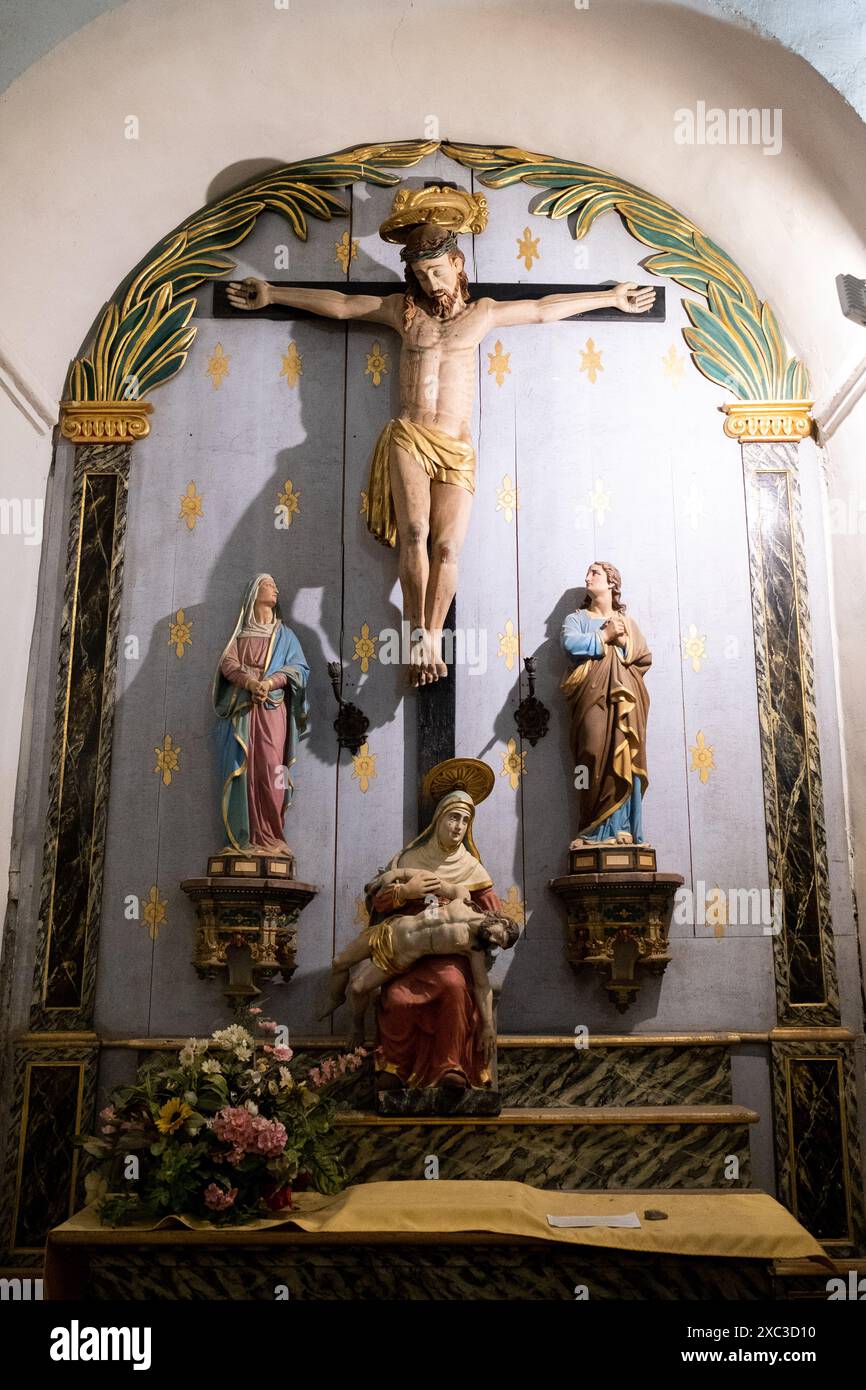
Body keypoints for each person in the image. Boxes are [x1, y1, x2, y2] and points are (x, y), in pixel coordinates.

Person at [227, 186, 655, 684]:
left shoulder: (483, 314)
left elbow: (542, 308)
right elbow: (342, 304)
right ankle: (417, 635)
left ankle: (433, 634)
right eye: (421, 274)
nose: (431, 283)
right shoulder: (403, 314)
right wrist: (273, 293)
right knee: (414, 534)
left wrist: (610, 297)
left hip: (457, 447)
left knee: (448, 547)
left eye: (438, 270)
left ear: (457, 263)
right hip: (411, 434)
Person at [349, 786, 511, 1092]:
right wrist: (405, 893)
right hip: (407, 954)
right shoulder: (410, 859)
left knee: (452, 985)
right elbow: (377, 901)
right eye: (452, 818)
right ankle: (395, 1067)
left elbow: (494, 917)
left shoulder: (472, 868)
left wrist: (491, 926)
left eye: (465, 821)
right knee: (396, 997)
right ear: (438, 819)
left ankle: (451, 1067)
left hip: (452, 956)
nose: (458, 827)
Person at [322, 894, 518, 1050]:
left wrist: (488, 1026)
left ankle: (356, 1026)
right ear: (501, 921)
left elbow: (483, 987)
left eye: (497, 944)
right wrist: (408, 885)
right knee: (339, 962)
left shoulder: (474, 947)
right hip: (388, 929)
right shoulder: (462, 896)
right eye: (498, 935)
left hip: (397, 958)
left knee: (357, 989)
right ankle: (335, 997)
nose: (492, 940)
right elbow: (430, 880)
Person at [213, 573, 309, 855]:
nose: (276, 589)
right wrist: (250, 682)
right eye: (269, 585)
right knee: (242, 769)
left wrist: (269, 683)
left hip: (272, 709)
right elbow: (227, 664)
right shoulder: (240, 636)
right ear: (255, 591)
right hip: (243, 711)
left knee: (271, 768)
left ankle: (272, 836)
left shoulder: (285, 636)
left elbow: (300, 669)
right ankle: (242, 839)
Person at [561, 561, 652, 850]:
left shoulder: (627, 622)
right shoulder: (576, 619)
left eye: (594, 573)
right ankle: (591, 827)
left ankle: (623, 827)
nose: (587, 577)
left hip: (625, 700)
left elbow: (644, 657)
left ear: (612, 582)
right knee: (591, 753)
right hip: (590, 695)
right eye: (587, 572)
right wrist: (605, 636)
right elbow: (570, 645)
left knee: (623, 753)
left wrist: (624, 640)